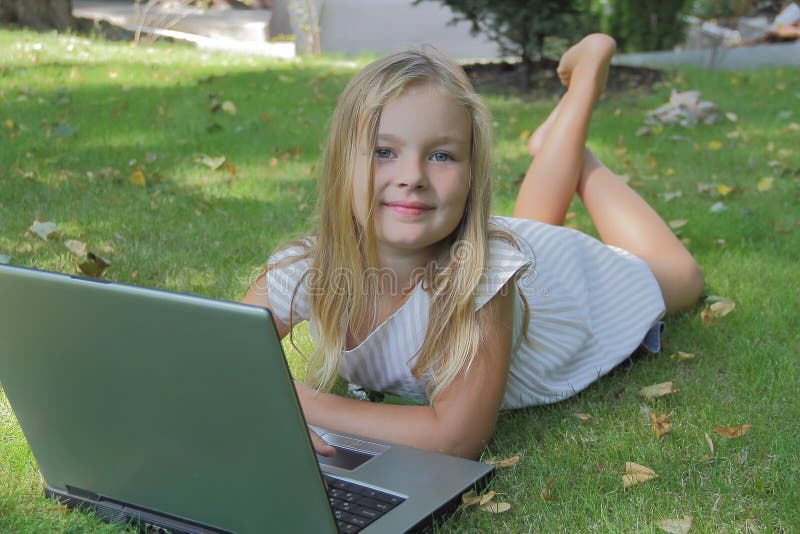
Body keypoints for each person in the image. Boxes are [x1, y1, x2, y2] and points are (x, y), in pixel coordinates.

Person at [243, 34, 704, 460]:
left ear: (470, 176)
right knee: (530, 227)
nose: (412, 176)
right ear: (343, 163)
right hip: (513, 247)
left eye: (441, 155)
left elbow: (455, 437)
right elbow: (212, 361)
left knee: (682, 277)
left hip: (568, 290)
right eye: (385, 151)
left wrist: (298, 403)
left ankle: (579, 142)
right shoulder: (304, 268)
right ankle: (555, 147)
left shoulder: (483, 279)